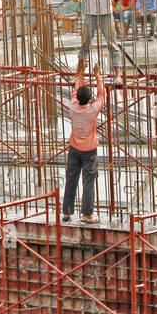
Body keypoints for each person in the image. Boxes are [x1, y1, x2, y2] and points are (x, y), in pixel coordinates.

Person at [63, 60, 107, 225]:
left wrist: (80, 72)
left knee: (71, 178)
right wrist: (97, 75)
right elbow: (102, 95)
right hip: (89, 150)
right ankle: (86, 214)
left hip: (74, 148)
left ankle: (67, 212)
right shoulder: (92, 109)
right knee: (88, 179)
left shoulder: (73, 106)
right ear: (89, 99)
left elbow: (75, 91)